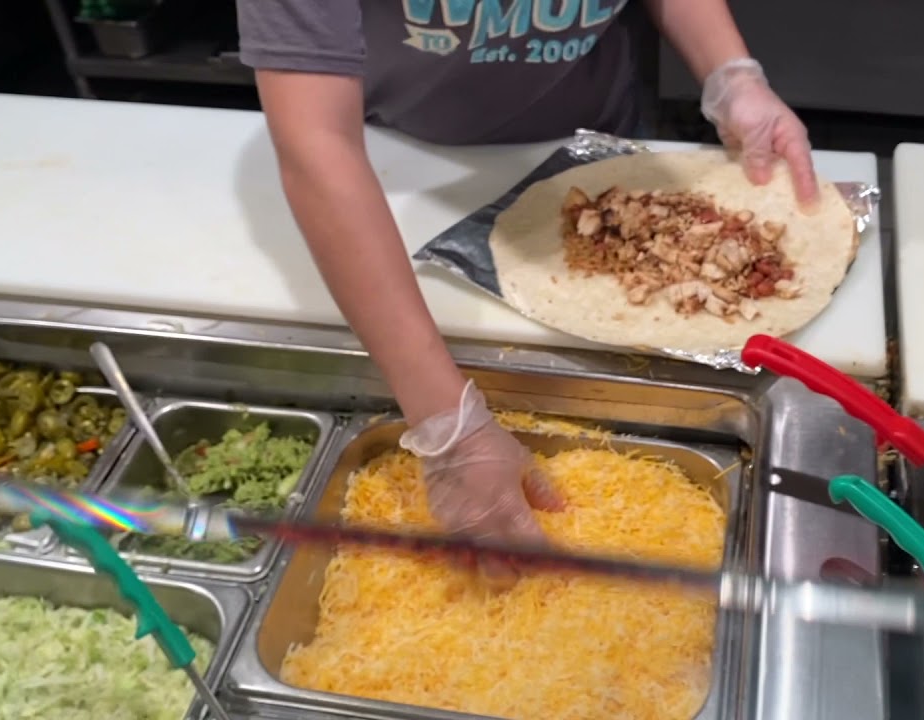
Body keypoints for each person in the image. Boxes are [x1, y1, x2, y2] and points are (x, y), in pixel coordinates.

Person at [236, 0, 819, 570]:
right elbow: (318, 144)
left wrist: (731, 75)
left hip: (599, 144)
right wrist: (449, 429)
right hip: (394, 162)